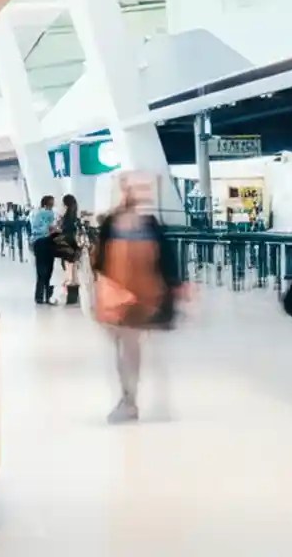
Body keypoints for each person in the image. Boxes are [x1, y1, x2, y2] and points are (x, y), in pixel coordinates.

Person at [93, 173, 183, 423]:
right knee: (127, 348)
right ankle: (131, 398)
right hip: (117, 295)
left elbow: (165, 260)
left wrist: (173, 286)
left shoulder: (146, 224)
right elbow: (100, 261)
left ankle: (130, 400)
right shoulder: (116, 223)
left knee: (130, 348)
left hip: (142, 295)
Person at [56, 194, 82, 305]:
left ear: (65, 205)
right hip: (74, 245)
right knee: (74, 272)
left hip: (67, 245)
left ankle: (71, 297)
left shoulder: (65, 219)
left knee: (69, 272)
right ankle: (74, 296)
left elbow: (62, 232)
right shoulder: (75, 218)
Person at [31, 195, 57, 304]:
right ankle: (42, 296)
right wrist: (50, 229)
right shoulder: (39, 214)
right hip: (42, 241)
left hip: (46, 242)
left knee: (46, 270)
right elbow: (37, 228)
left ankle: (44, 296)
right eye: (52, 202)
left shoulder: (48, 213)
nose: (53, 204)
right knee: (44, 270)